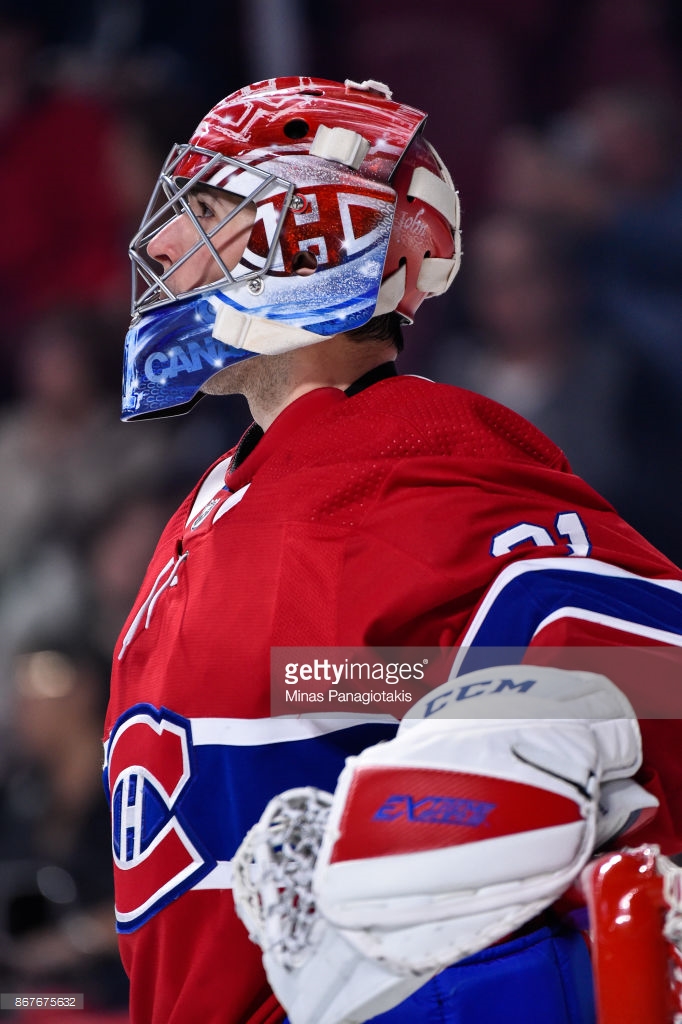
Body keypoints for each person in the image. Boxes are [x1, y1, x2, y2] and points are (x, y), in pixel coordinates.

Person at [104, 77, 682, 1024]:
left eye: (204, 212)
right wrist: (391, 688)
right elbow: (337, 677)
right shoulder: (222, 490)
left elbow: (657, 671)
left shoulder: (404, 453)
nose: (164, 246)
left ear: (315, 235)